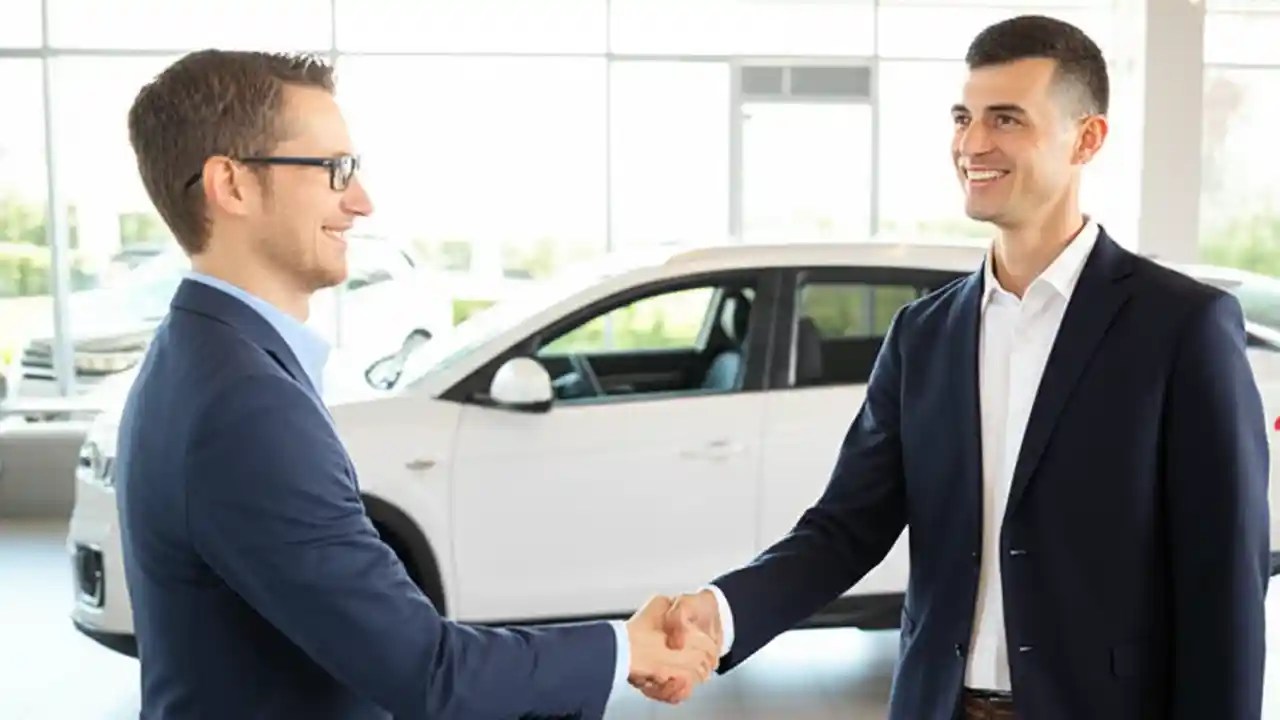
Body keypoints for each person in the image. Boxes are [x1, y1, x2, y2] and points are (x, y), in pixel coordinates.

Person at [644, 14, 1271, 720]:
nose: (973, 144)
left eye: (1007, 120)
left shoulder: (1180, 328)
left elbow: (1224, 586)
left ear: (1086, 139)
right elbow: (844, 529)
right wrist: (719, 614)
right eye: (963, 117)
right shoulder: (925, 334)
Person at [114, 49, 718, 720]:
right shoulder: (245, 403)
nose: (362, 201)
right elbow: (428, 674)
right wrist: (623, 649)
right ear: (232, 185)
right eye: (333, 170)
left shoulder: (201, 354)